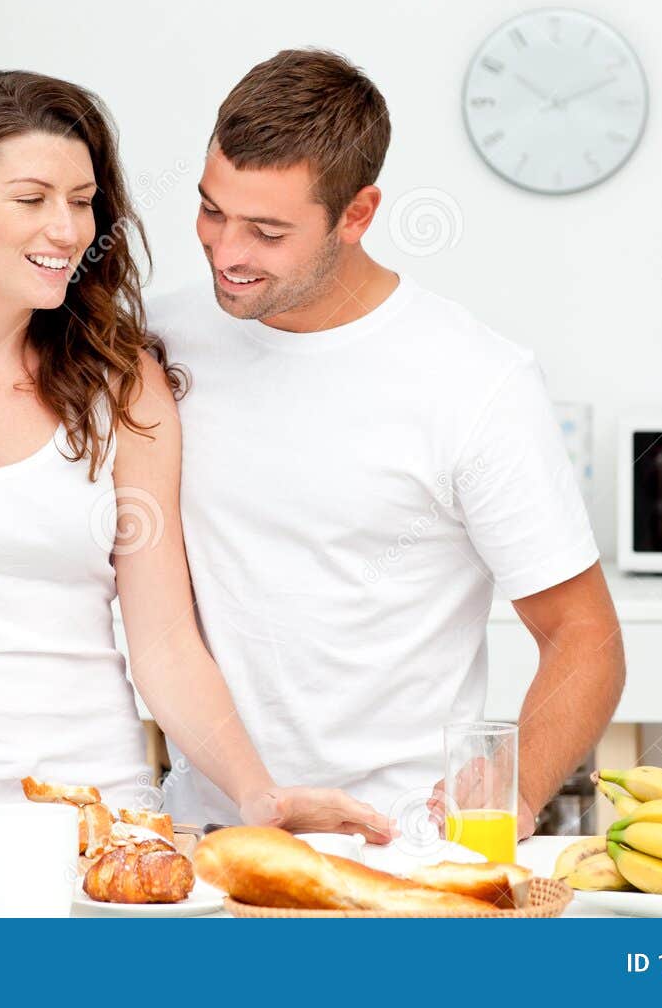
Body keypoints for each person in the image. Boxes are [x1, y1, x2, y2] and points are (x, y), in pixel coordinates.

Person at [0, 69, 390, 838]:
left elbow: (165, 646)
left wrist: (259, 797)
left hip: (95, 818)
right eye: (31, 199)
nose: (67, 230)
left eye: (83, 202)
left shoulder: (124, 386)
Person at [150, 48, 626, 837]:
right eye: (211, 211)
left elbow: (585, 637)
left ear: (357, 214)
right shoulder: (159, 342)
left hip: (401, 845)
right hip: (206, 839)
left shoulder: (474, 382)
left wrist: (517, 789)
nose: (227, 252)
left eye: (267, 231)